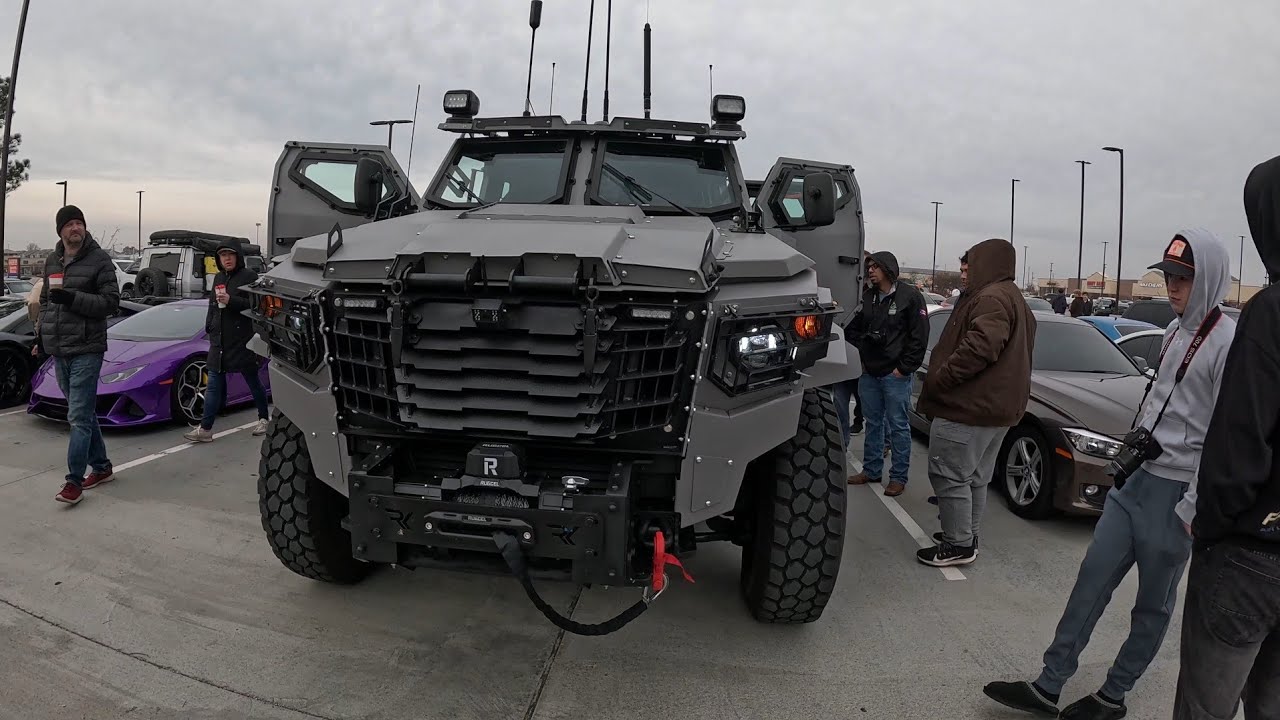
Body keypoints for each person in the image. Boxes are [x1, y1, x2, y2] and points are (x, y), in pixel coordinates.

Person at [983, 229, 1236, 720]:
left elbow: (1225, 435)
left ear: (1208, 279)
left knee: (1152, 606)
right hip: (1135, 480)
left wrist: (1192, 506)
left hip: (1176, 492)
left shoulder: (1226, 343)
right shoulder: (1172, 331)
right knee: (1091, 581)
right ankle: (1049, 684)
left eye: (1184, 278)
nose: (1173, 287)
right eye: (1169, 276)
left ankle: (1113, 695)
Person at [1172, 157, 1280, 719]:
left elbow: (1240, 443)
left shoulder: (1269, 314)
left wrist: (1211, 528)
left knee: (1203, 707)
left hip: (1249, 554)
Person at [916, 239, 1034, 566]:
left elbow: (981, 347)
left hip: (969, 407)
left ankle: (958, 544)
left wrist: (941, 377)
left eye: (968, 268)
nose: (963, 274)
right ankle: (967, 536)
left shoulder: (991, 297)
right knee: (976, 478)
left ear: (986, 266)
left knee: (949, 475)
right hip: (994, 409)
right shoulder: (1012, 297)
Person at [39, 206, 121, 505]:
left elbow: (111, 302)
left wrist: (72, 298)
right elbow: (46, 301)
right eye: (69, 224)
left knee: (77, 416)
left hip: (87, 347)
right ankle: (101, 466)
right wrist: (41, 336)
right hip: (59, 349)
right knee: (83, 413)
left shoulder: (99, 260)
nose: (76, 228)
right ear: (60, 230)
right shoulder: (52, 260)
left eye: (79, 223)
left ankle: (73, 481)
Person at [845, 251, 928, 497]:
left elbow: (919, 337)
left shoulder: (910, 297)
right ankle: (871, 470)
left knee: (898, 426)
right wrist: (862, 354)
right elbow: (852, 330)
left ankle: (898, 477)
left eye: (875, 266)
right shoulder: (867, 297)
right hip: (869, 373)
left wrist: (904, 368)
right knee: (873, 423)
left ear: (888, 268)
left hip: (896, 376)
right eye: (869, 267)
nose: (870, 270)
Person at [183, 240, 270, 442]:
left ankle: (264, 418)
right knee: (213, 384)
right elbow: (212, 305)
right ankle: (205, 429)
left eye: (230, 255)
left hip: (242, 340)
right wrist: (209, 326)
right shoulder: (218, 277)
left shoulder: (249, 276)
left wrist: (232, 301)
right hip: (219, 341)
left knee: (253, 381)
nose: (227, 259)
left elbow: (256, 305)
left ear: (238, 256)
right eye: (223, 255)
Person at [833, 251, 874, 445]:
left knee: (866, 404)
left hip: (861, 358)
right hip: (843, 355)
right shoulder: (843, 291)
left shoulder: (871, 296)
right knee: (839, 404)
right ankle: (843, 443)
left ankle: (876, 437)